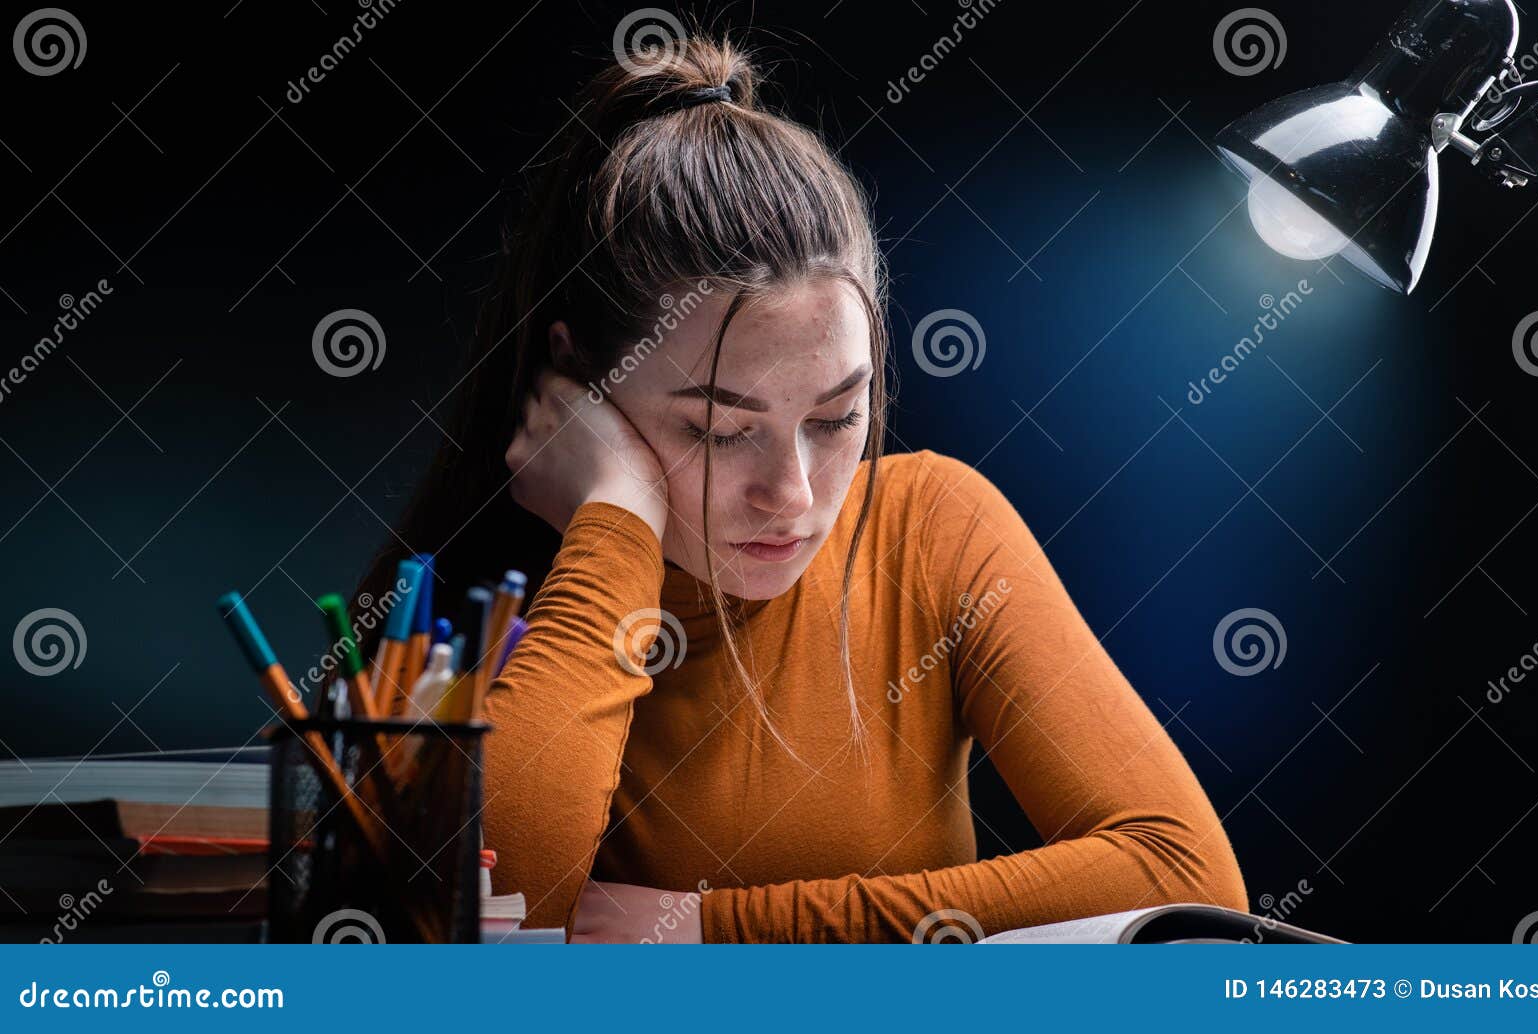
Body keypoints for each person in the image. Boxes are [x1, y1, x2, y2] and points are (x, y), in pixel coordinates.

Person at [357, 33, 1247, 943]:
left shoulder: (930, 529)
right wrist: (614, 523)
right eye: (719, 429)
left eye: (834, 419)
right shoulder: (452, 623)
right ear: (578, 379)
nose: (790, 493)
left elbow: (1188, 882)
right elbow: (495, 936)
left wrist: (701, 933)